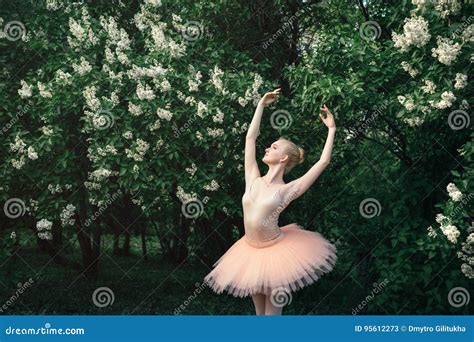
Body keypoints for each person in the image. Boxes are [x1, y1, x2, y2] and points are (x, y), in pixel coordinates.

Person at [203, 88, 337, 315]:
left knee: (272, 319)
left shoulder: (288, 190)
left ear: (284, 158)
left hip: (277, 255)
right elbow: (250, 137)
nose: (267, 148)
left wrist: (332, 129)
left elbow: (322, 162)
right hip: (249, 253)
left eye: (274, 147)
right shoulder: (252, 177)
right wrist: (261, 105)